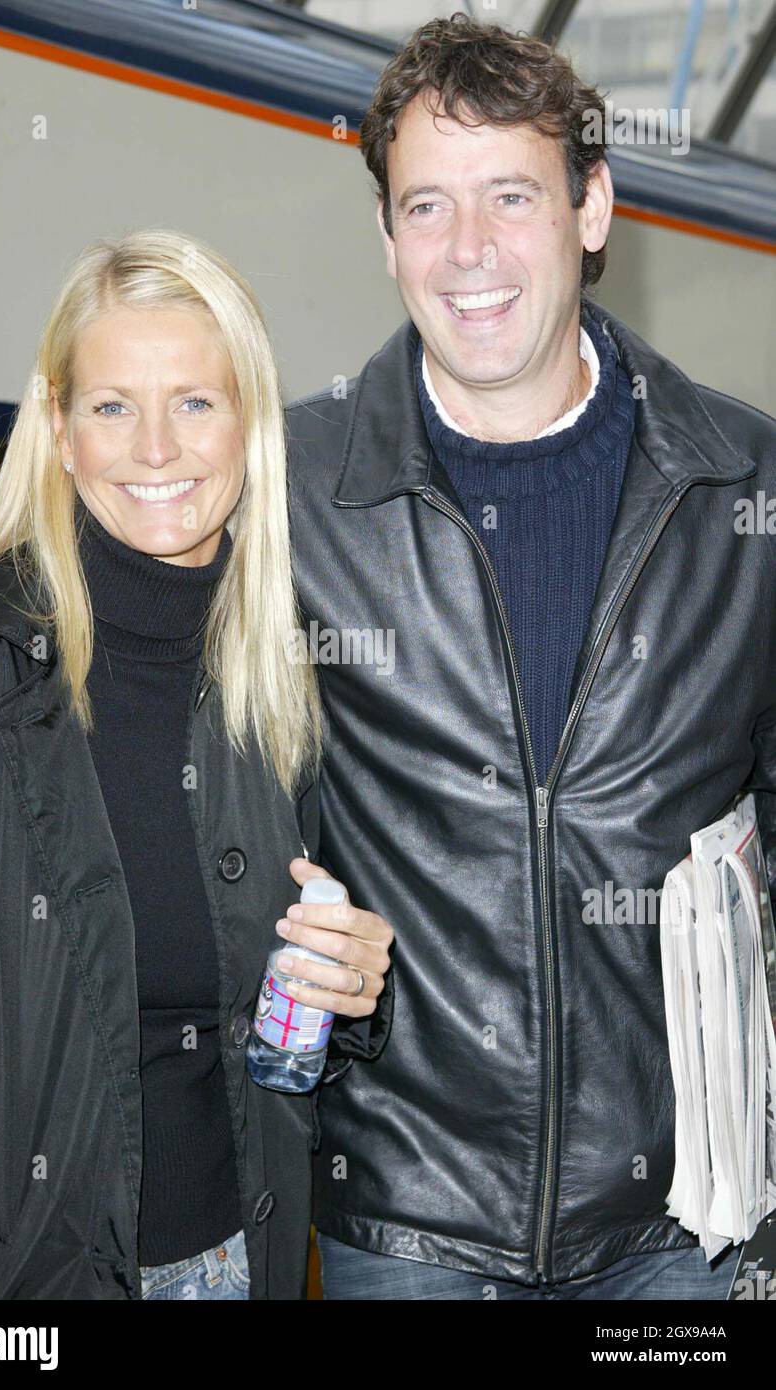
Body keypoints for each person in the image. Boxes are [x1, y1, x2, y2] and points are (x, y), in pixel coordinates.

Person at [280, 17, 775, 1298]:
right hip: (403, 1218)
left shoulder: (743, 485)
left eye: (511, 196)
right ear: (386, 239)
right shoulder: (293, 487)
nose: (467, 252)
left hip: (677, 1221)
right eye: (425, 206)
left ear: (591, 208)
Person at [0, 228, 393, 1301]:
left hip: (248, 1258)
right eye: (113, 405)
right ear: (62, 430)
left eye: (196, 402)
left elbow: (309, 1032)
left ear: (248, 428)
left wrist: (363, 992)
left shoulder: (296, 676)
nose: (157, 449)